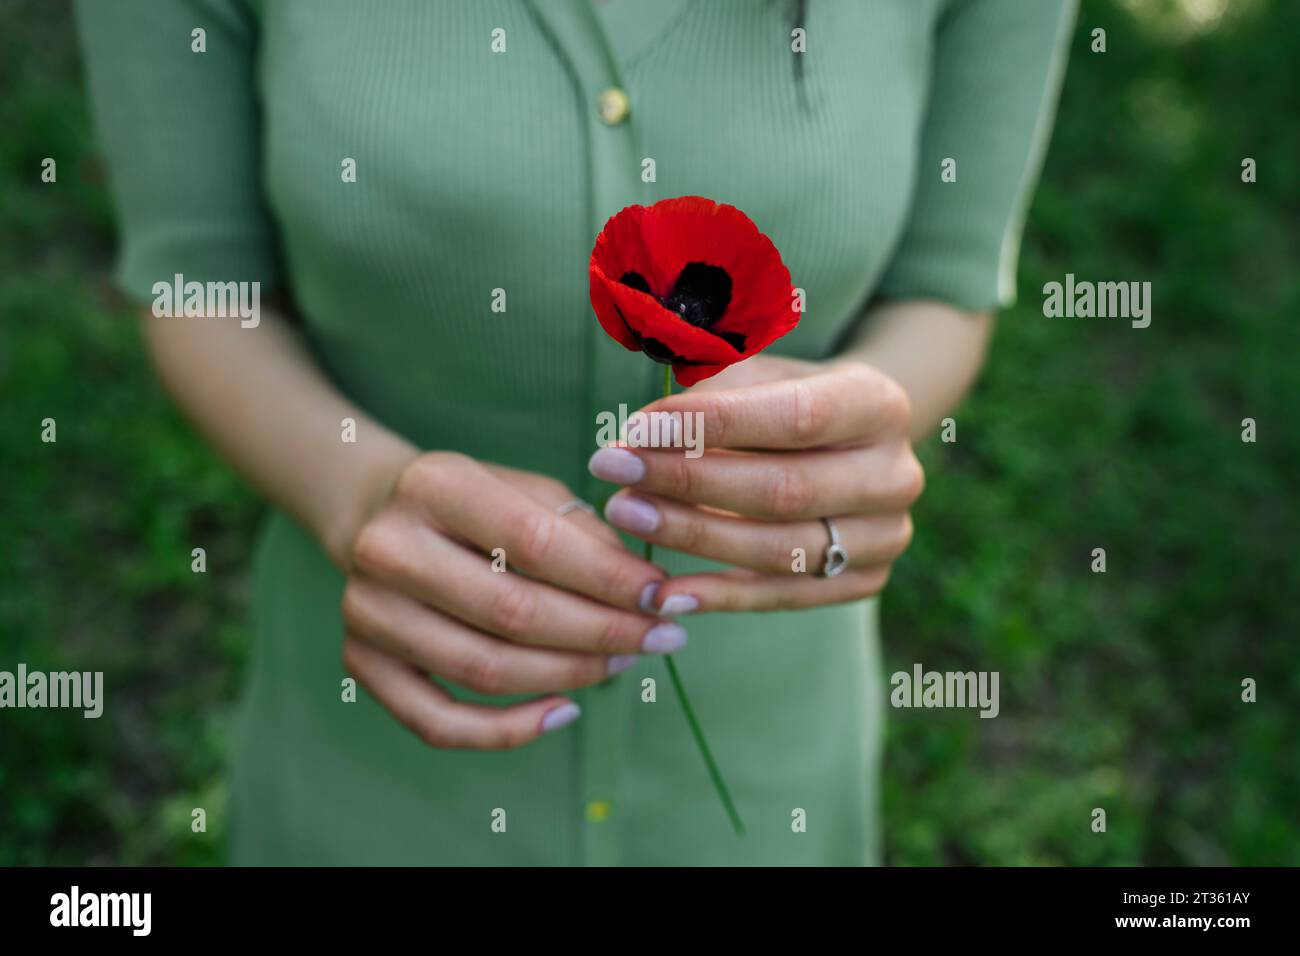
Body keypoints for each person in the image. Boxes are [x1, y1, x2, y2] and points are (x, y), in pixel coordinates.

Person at [76, 0, 1076, 865]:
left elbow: (944, 287)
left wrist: (840, 438)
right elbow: (197, 283)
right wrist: (360, 492)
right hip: (378, 749)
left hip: (760, 753)